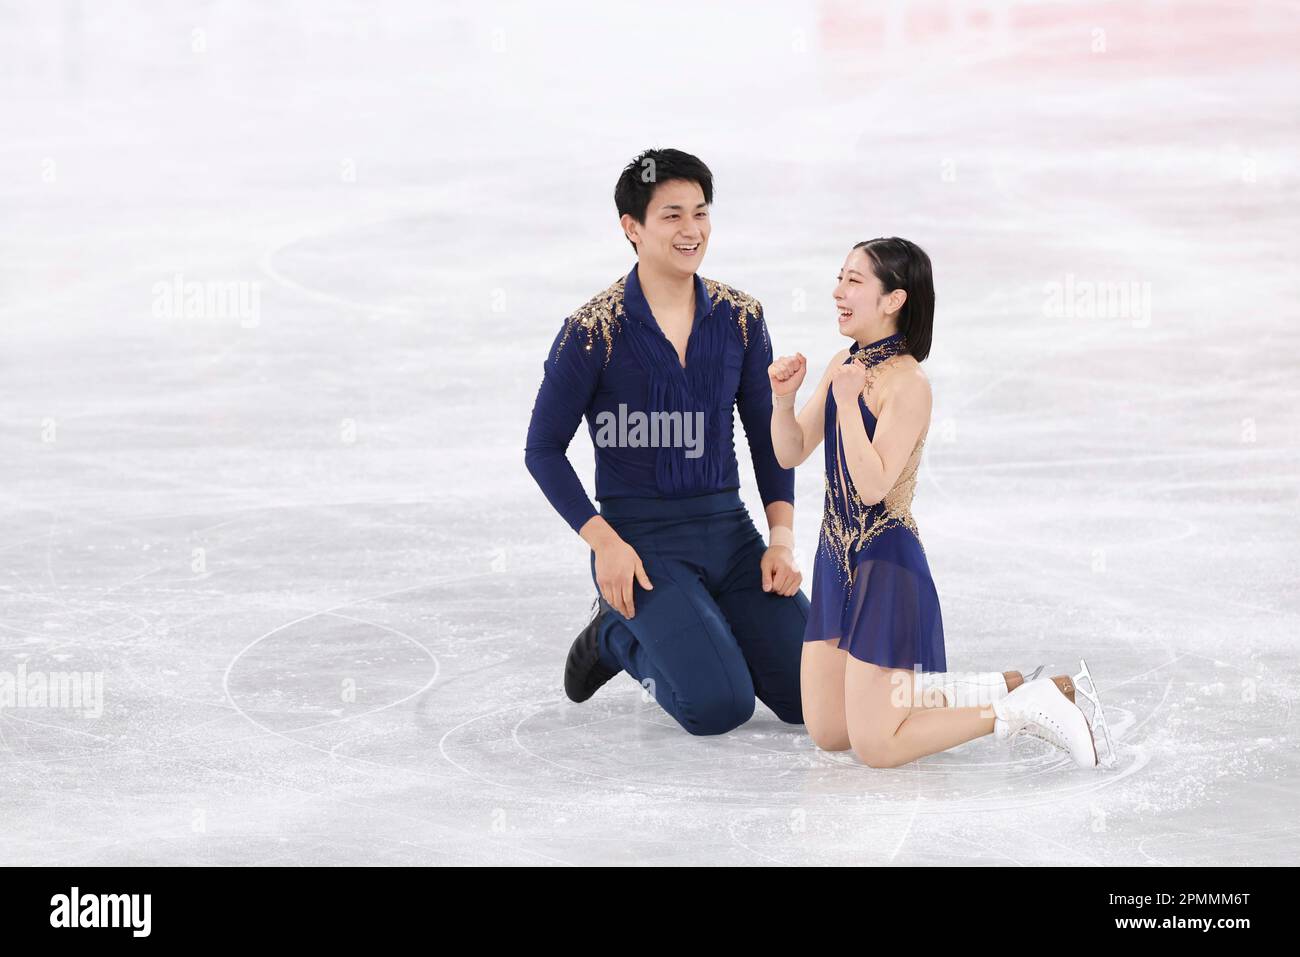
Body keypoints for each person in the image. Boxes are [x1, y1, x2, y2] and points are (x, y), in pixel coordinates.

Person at [768, 237, 1116, 768]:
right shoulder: (845, 364)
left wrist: (845, 402)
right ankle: (997, 686)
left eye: (854, 281)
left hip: (885, 564)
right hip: (836, 560)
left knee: (877, 746)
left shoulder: (908, 384)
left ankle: (1025, 707)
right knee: (830, 730)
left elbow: (872, 486)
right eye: (840, 277)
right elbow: (790, 451)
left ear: (893, 300)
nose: (838, 291)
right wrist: (784, 399)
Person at [524, 148, 807, 735]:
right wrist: (604, 543)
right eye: (672, 215)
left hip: (730, 534)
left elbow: (765, 439)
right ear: (632, 228)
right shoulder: (593, 330)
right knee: (718, 709)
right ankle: (613, 633)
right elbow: (543, 449)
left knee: (812, 698)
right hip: (642, 544)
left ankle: (709, 623)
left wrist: (780, 540)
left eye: (701, 213)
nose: (691, 230)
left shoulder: (741, 318)